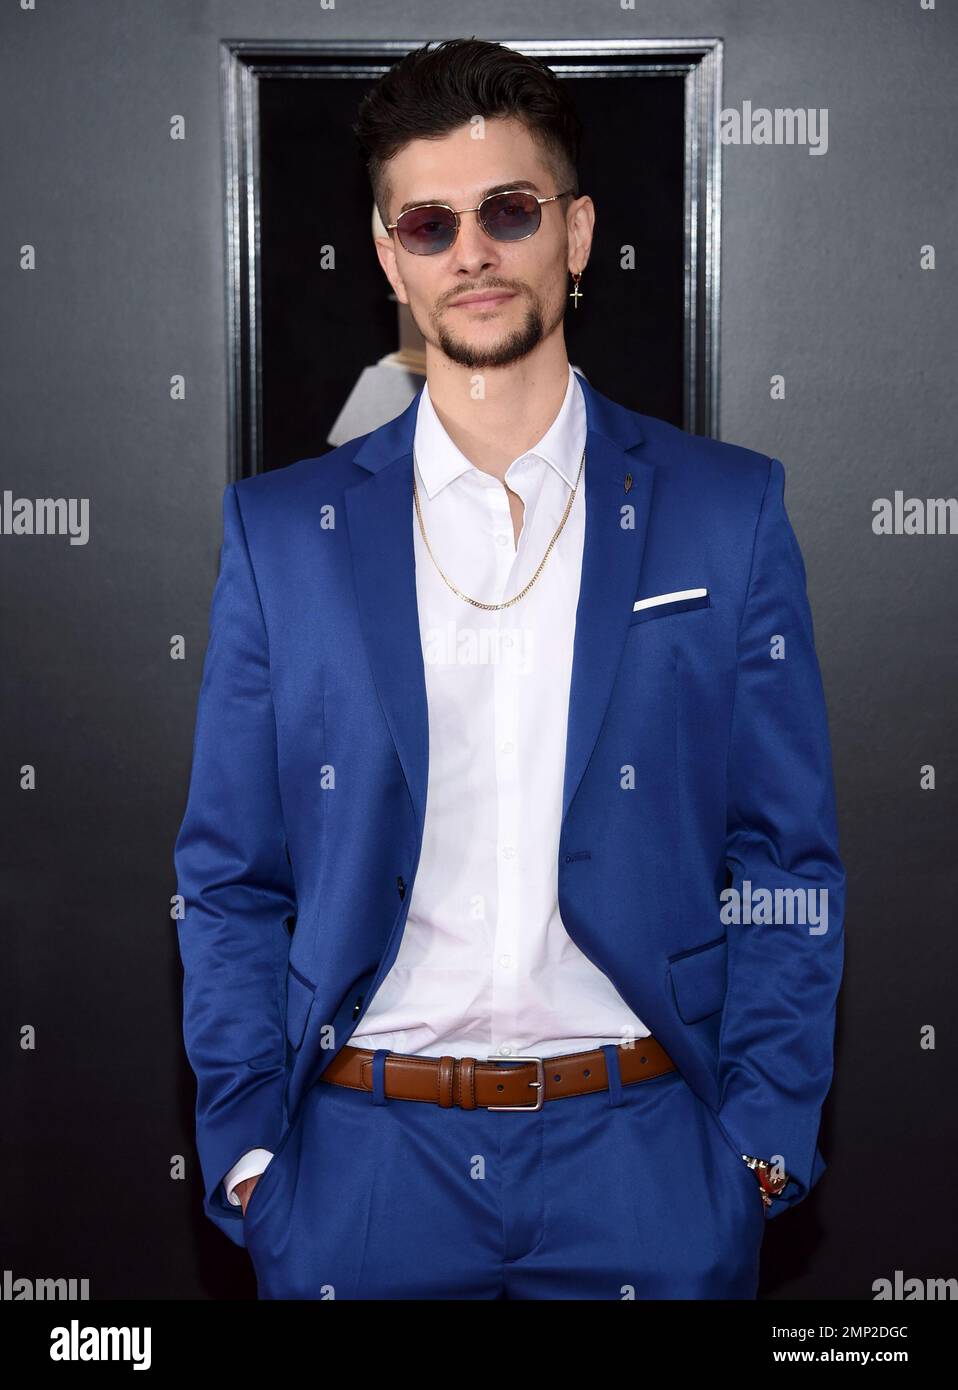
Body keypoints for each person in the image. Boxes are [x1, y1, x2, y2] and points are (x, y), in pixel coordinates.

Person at [174, 37, 845, 1300]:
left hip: (644, 1161)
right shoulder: (281, 537)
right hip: (363, 1173)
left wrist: (757, 1143)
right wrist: (254, 1148)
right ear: (389, 258)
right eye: (427, 223)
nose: (469, 250)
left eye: (510, 210)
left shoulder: (725, 512)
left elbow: (785, 857)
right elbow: (227, 874)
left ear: (576, 235)